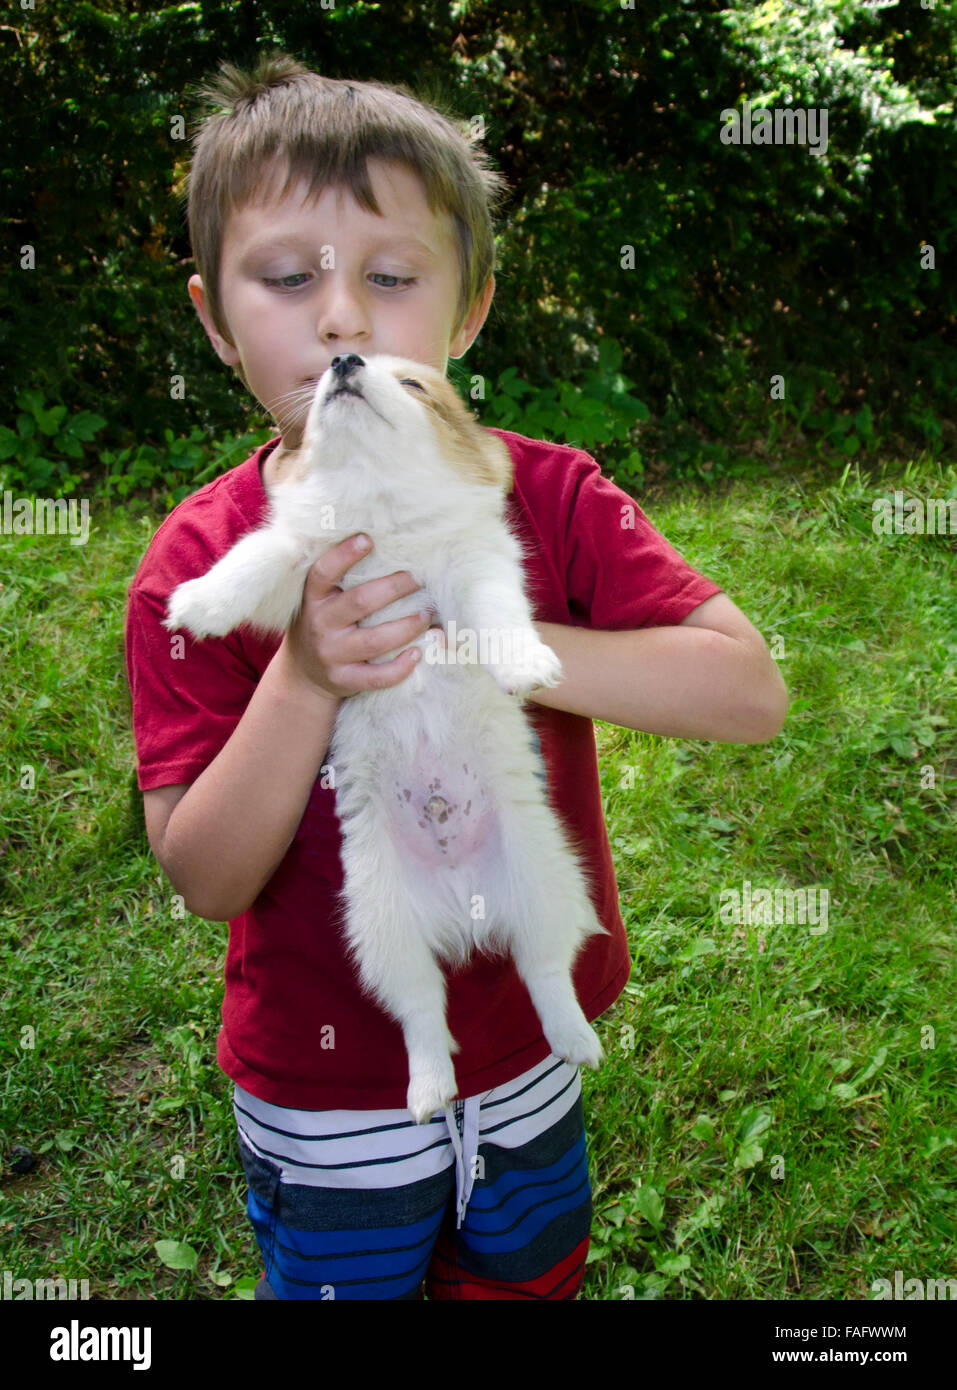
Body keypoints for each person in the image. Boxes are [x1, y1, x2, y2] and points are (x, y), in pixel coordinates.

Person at [124, 52, 788, 1301]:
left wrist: (487, 646)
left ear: (469, 307)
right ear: (215, 319)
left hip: (528, 1040)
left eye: (388, 277)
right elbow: (206, 875)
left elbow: (748, 693)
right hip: (323, 1091)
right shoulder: (195, 568)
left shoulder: (546, 494)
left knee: (528, 1270)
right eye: (286, 279)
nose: (340, 321)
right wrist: (310, 673)